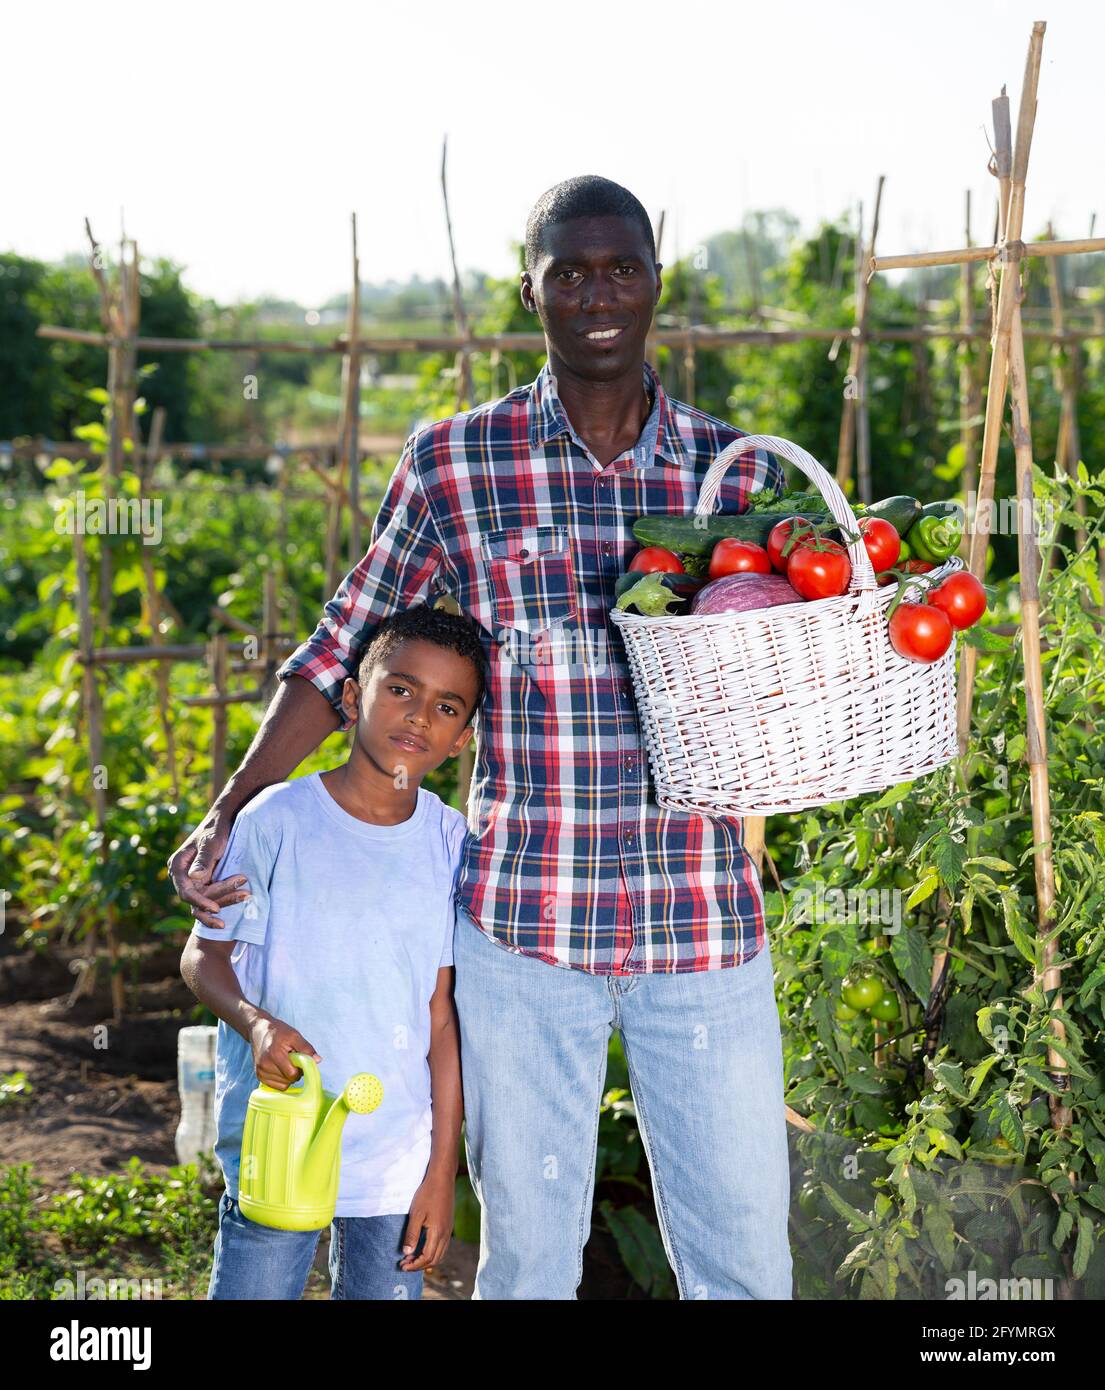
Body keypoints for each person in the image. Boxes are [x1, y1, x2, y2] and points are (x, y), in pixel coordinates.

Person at [170, 173, 793, 1300]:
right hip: (524, 928)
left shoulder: (730, 473)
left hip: (699, 915)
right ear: (531, 291)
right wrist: (227, 809)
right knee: (526, 1264)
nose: (597, 291)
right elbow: (337, 652)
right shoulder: (457, 461)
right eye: (569, 272)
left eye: (620, 268)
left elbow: (783, 669)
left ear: (656, 283)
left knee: (743, 1257)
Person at [179, 604, 486, 1300]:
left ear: (461, 737)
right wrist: (255, 1023)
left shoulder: (449, 845)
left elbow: (441, 1018)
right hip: (279, 1130)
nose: (417, 716)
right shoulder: (275, 821)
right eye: (399, 689)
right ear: (352, 698)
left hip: (394, 1158)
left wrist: (440, 1172)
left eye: (445, 706)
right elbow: (203, 958)